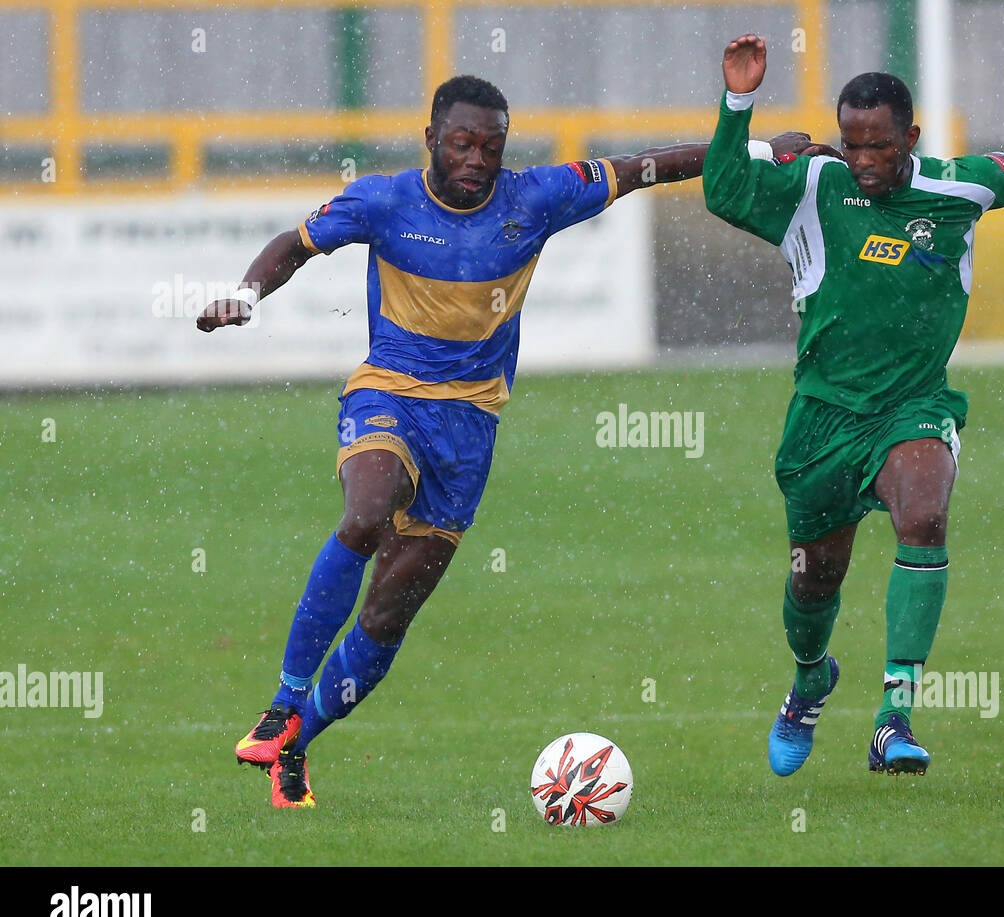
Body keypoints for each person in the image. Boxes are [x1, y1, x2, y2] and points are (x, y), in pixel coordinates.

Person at [197, 74, 812, 808]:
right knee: (366, 513)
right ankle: (283, 702)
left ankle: (297, 746)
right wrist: (245, 294)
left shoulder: (535, 198)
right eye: (460, 142)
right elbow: (293, 246)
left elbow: (648, 166)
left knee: (388, 615)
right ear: (430, 140)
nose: (476, 158)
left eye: (491, 145)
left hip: (471, 430)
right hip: (389, 394)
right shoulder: (384, 201)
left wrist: (761, 149)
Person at [702, 36, 1004, 777]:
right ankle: (811, 679)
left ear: (909, 139)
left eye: (878, 147)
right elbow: (723, 189)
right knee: (813, 583)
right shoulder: (816, 185)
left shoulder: (958, 189)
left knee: (924, 512)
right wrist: (738, 102)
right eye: (852, 144)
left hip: (913, 405)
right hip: (822, 419)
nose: (863, 161)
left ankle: (894, 716)